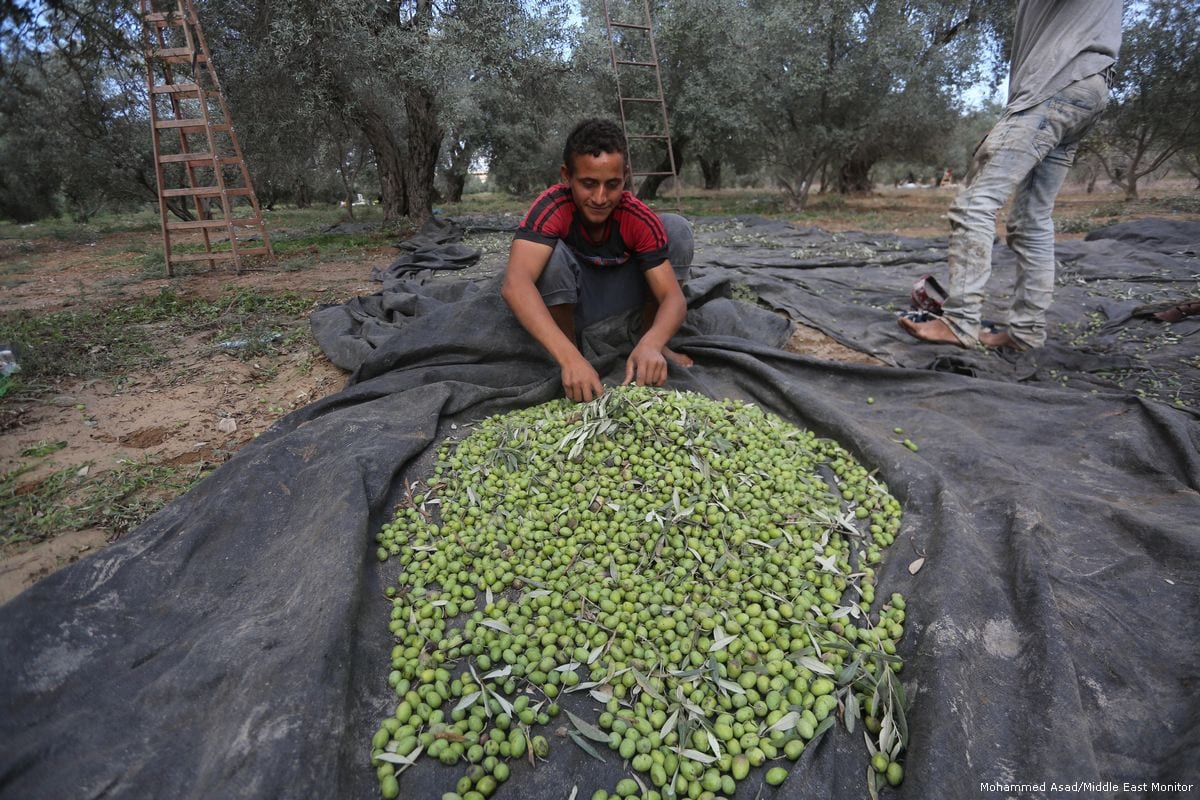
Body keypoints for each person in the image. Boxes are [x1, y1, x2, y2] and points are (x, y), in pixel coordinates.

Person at [900, 0, 1122, 351]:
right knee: (1031, 220)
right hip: (1089, 88)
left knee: (974, 205)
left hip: (1058, 82)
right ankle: (1026, 333)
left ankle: (960, 322)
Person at [501, 117, 693, 402]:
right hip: (574, 304)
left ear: (625, 177)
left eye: (612, 184)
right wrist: (570, 359)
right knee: (551, 258)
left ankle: (647, 344)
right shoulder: (552, 207)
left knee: (676, 228)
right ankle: (572, 357)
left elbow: (673, 297)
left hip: (624, 302)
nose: (601, 198)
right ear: (567, 176)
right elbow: (515, 284)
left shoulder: (636, 216)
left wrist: (653, 342)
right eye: (588, 184)